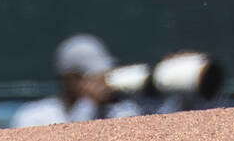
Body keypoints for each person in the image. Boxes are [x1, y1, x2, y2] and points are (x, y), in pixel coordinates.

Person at [10, 34, 140, 127]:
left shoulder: (118, 111)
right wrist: (88, 104)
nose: (101, 81)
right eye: (89, 76)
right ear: (69, 79)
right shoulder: (34, 117)